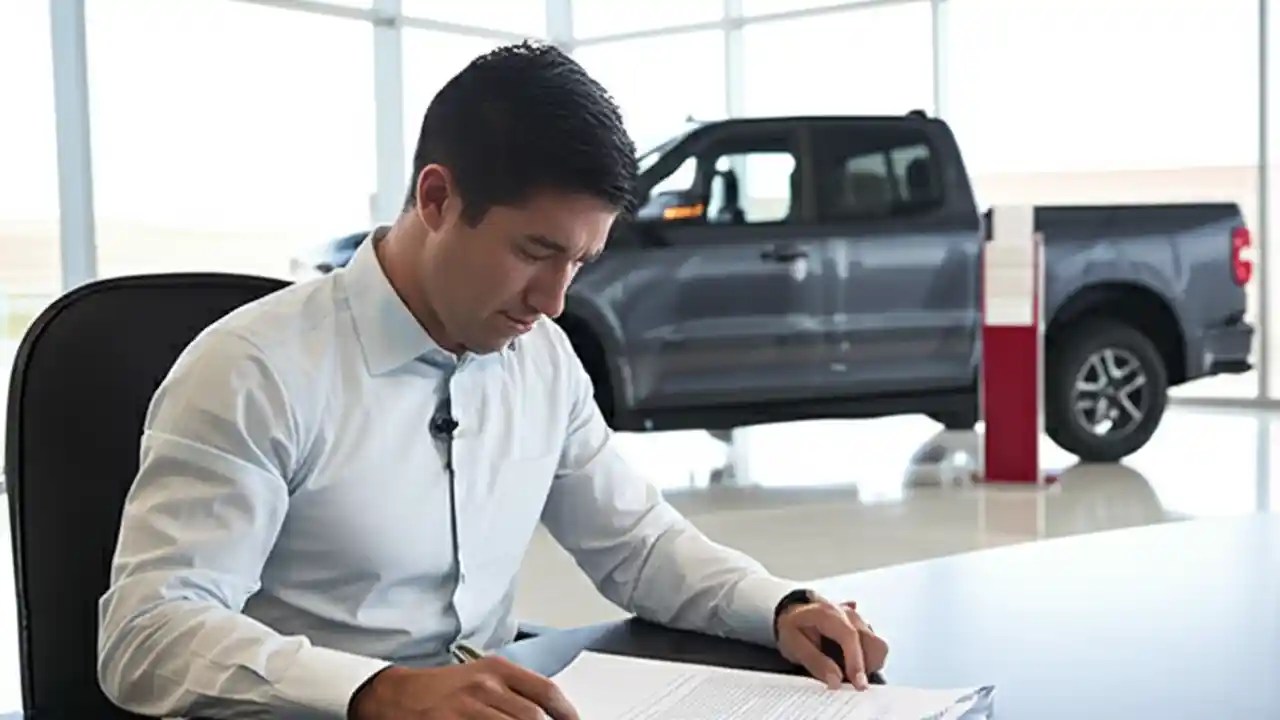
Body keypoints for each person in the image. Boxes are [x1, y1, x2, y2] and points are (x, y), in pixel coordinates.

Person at [97, 41, 888, 720]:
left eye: (580, 263)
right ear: (437, 199)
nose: (553, 301)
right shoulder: (253, 370)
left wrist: (780, 606)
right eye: (534, 252)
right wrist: (381, 692)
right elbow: (148, 634)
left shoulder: (539, 357)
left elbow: (638, 545)